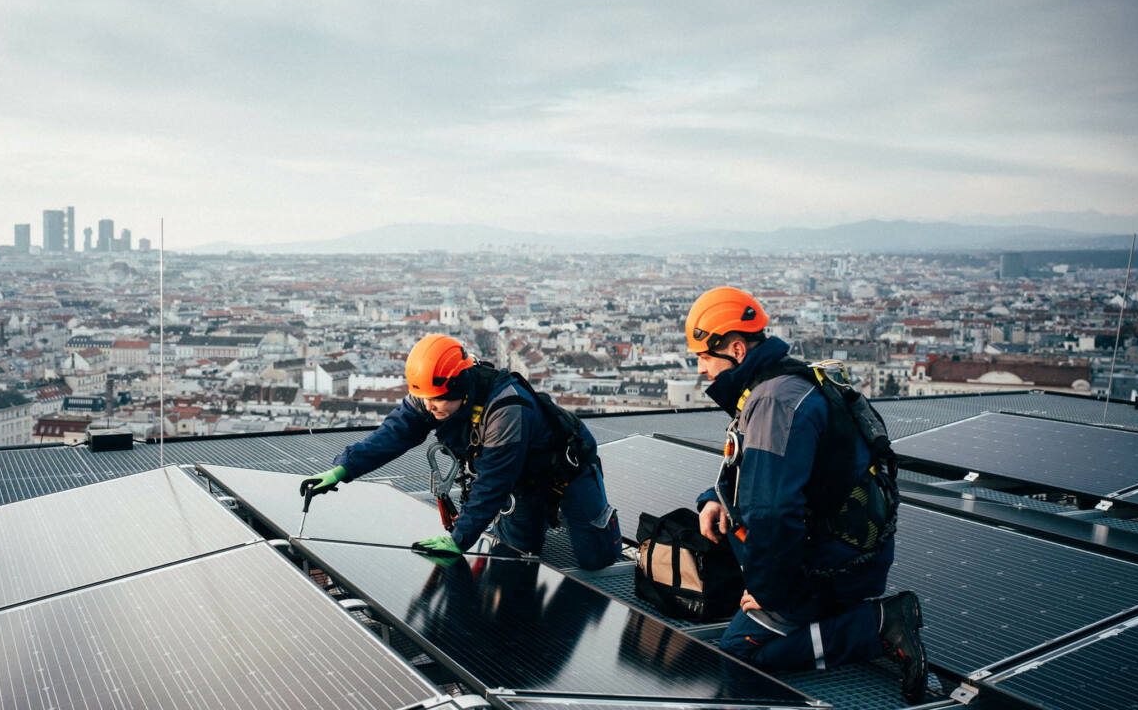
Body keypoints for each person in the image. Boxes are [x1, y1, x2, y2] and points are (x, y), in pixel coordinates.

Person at [686, 286, 928, 703]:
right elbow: (790, 473)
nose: (704, 371)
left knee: (741, 652)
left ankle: (878, 625)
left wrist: (766, 593)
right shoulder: (790, 380)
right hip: (855, 548)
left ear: (737, 351)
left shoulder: (774, 402)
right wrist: (715, 497)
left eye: (706, 358)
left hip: (831, 568)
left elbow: (774, 514)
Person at [299, 333, 622, 570]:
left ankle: (596, 523)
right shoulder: (433, 391)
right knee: (517, 558)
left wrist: (459, 538)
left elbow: (493, 481)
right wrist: (343, 469)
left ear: (460, 389)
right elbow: (395, 433)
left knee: (597, 559)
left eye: (437, 400)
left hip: (565, 470)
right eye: (425, 399)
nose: (429, 406)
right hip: (521, 483)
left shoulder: (505, 407)